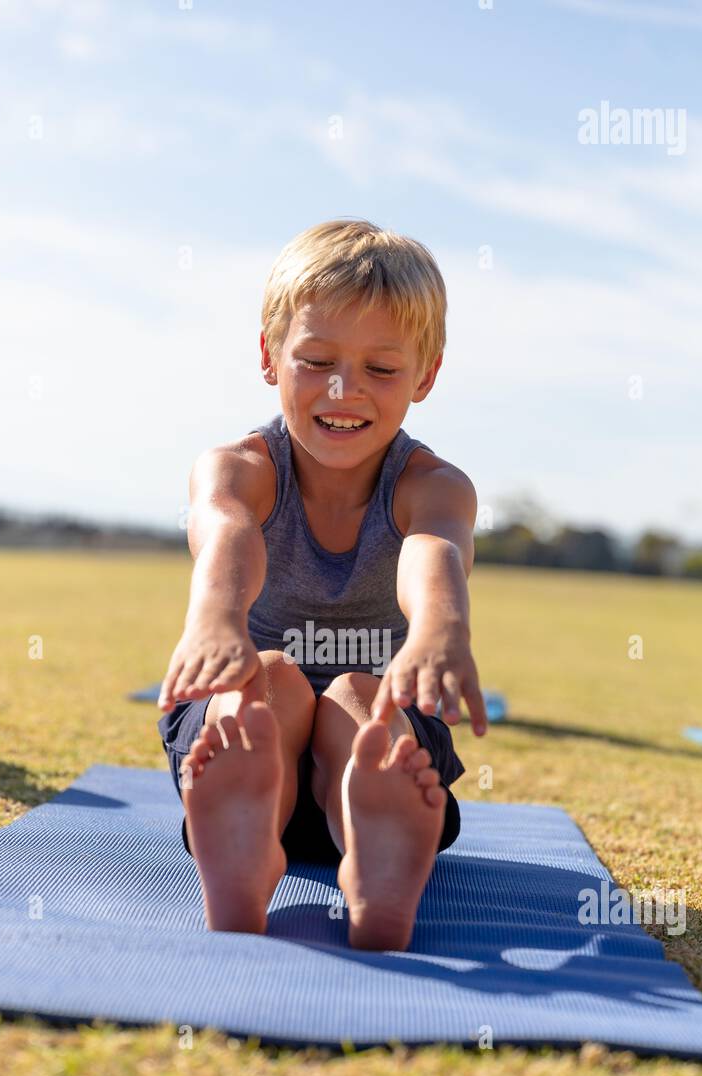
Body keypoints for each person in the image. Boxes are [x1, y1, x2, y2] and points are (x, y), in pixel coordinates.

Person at [157, 218, 486, 951]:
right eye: (316, 359)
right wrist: (216, 619)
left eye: (381, 368)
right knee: (267, 680)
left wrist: (439, 632)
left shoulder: (432, 486)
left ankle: (372, 852)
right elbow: (226, 530)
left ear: (426, 376)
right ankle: (249, 840)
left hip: (375, 755)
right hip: (242, 740)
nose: (345, 390)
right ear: (270, 356)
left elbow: (435, 549)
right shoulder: (239, 466)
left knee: (363, 701)